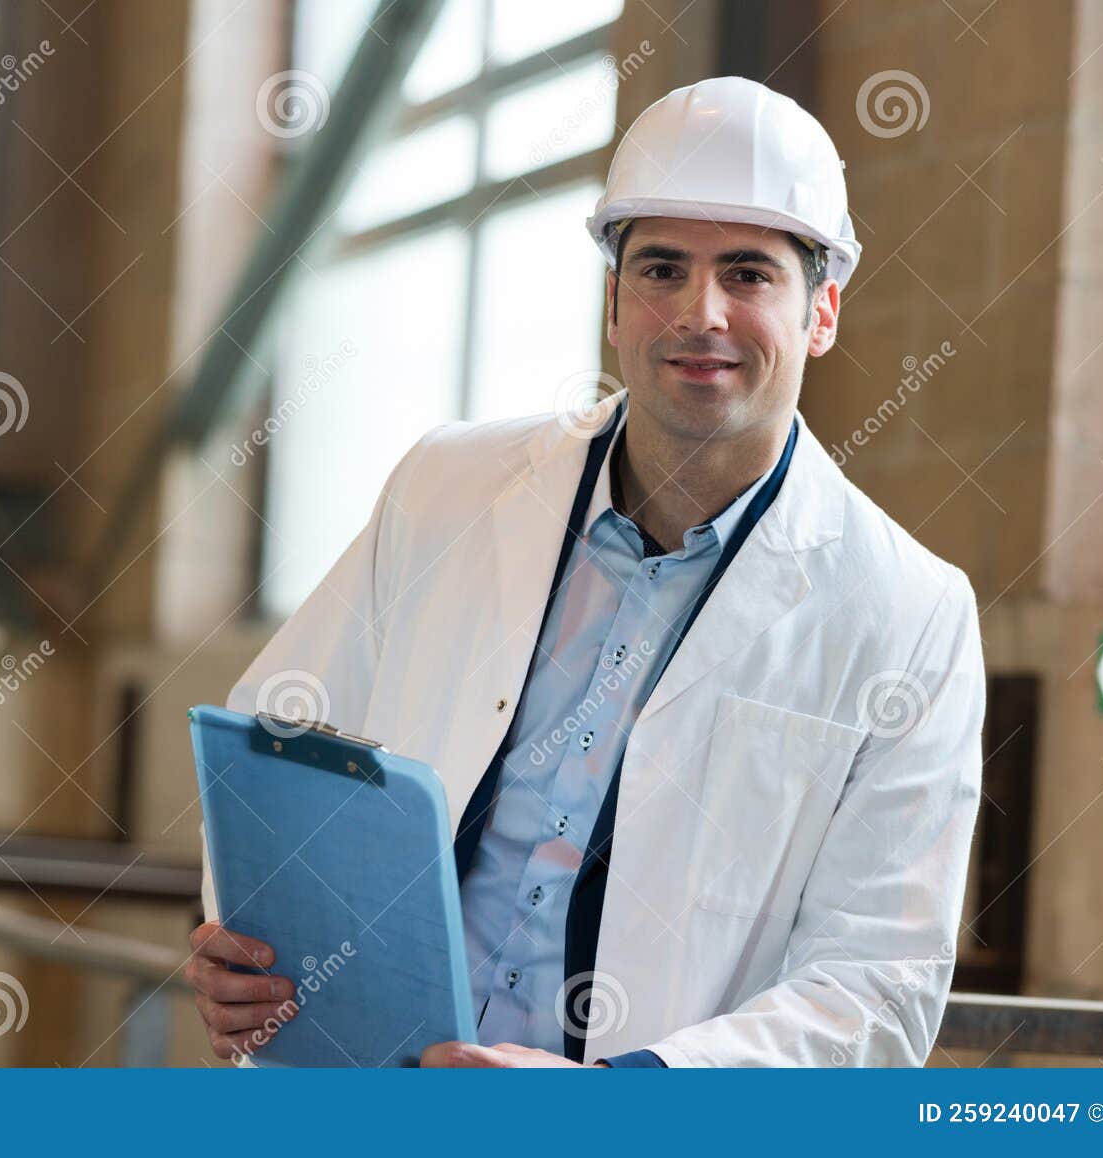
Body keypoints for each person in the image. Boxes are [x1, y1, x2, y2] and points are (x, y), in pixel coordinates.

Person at [186, 75, 985, 1067]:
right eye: (659, 270)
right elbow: (278, 751)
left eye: (748, 273)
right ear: (614, 303)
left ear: (821, 311)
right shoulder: (446, 487)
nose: (701, 313)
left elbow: (877, 991)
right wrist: (250, 942)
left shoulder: (909, 614)